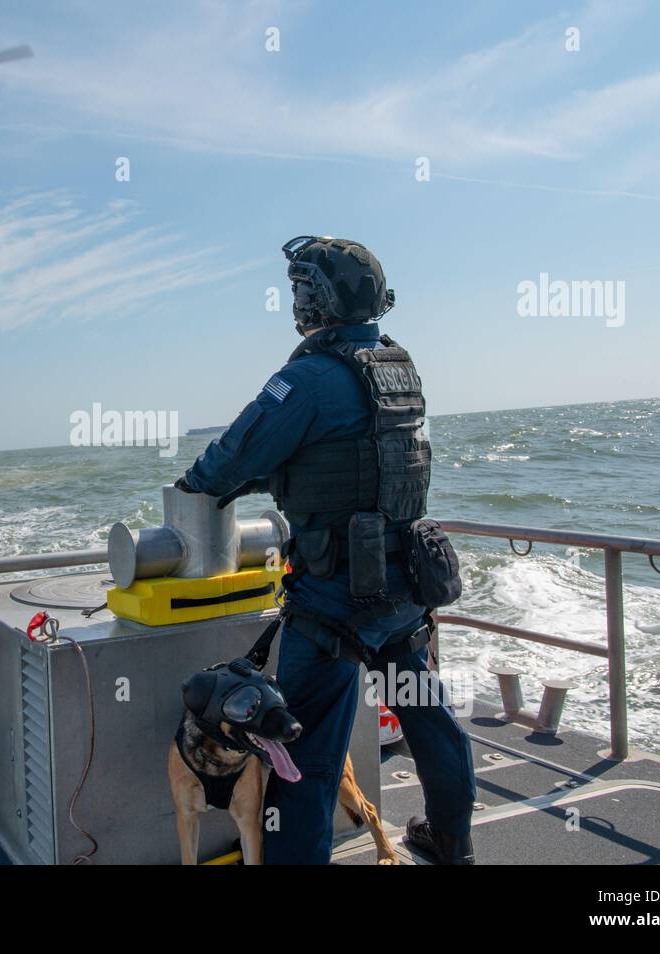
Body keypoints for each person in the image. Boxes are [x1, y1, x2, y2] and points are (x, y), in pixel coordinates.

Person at [175, 236, 477, 865]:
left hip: (334, 596)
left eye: (298, 290)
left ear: (315, 298)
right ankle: (452, 841)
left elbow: (230, 460)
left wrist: (193, 488)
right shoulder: (400, 366)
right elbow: (355, 460)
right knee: (430, 720)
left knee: (304, 756)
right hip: (404, 588)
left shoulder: (306, 378)